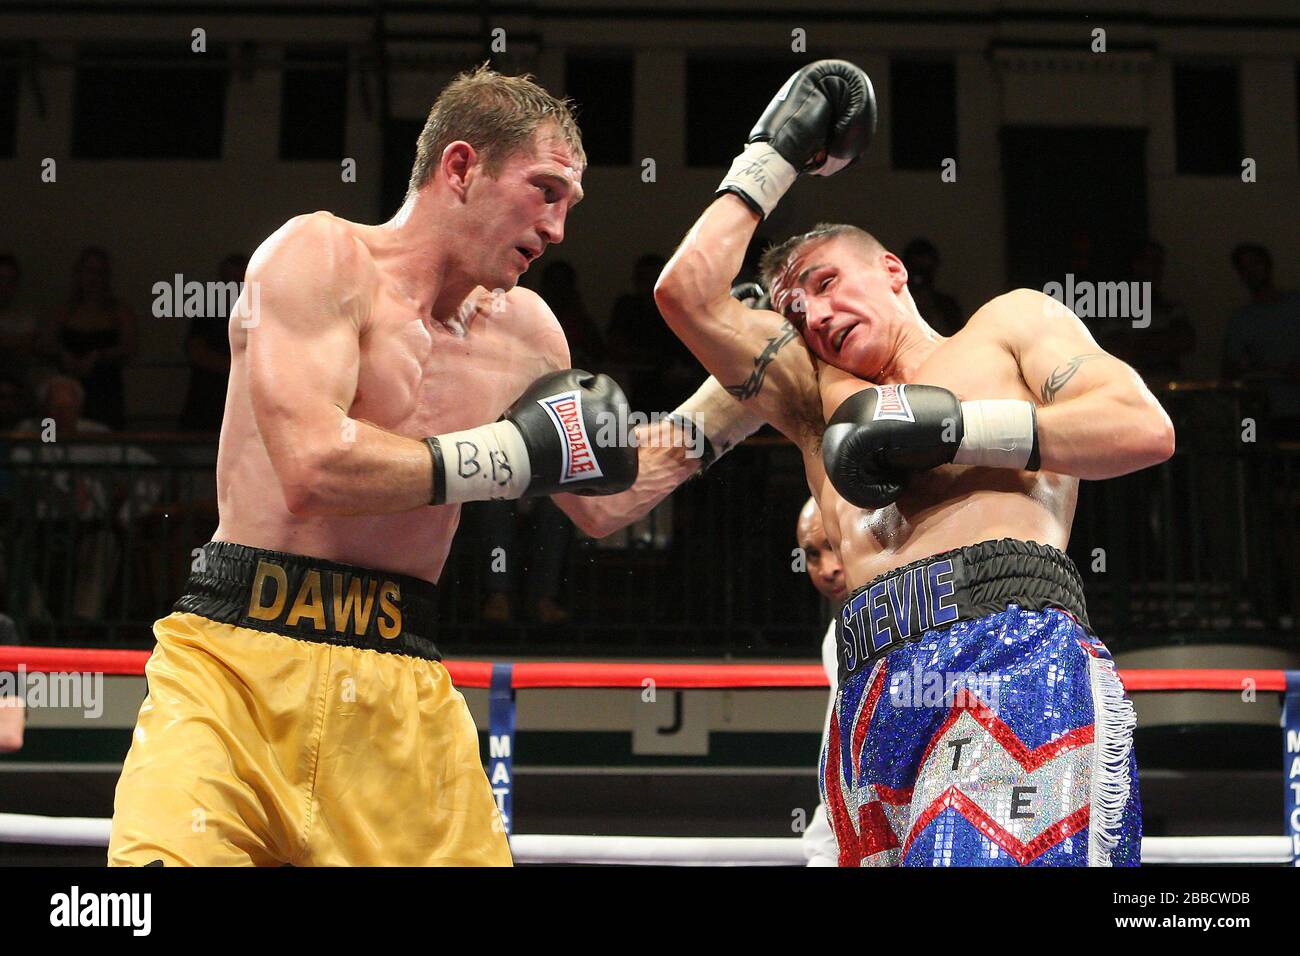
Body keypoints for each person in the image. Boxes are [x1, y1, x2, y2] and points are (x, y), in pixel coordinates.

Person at [107, 63, 760, 867]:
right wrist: (510, 455)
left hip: (399, 683)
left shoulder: (529, 335)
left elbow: (601, 504)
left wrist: (751, 390)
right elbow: (313, 469)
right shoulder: (319, 256)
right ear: (460, 167)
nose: (558, 228)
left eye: (569, 205)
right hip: (234, 667)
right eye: (544, 190)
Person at [655, 59, 1174, 866]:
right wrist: (777, 154)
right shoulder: (811, 397)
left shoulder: (1006, 328)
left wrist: (959, 431)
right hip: (869, 690)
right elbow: (685, 292)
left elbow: (1142, 427)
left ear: (892, 269)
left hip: (1005, 654)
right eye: (798, 310)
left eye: (828, 283)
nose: (818, 315)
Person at [794, 496, 847, 867]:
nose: (827, 569)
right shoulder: (838, 636)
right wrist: (823, 851)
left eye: (836, 546)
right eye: (812, 554)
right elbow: (841, 761)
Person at [42, 247, 137, 431]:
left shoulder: (119, 310)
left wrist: (99, 355)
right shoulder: (65, 309)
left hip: (105, 389)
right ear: (78, 274)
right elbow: (44, 343)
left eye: (99, 272)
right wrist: (63, 354)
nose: (93, 278)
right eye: (88, 271)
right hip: (68, 389)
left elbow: (129, 346)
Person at [1223, 242, 1300, 441]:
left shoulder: (1295, 304)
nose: (1251, 272)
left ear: (1268, 265)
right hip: (1263, 411)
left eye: (1255, 264)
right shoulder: (1241, 320)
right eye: (1244, 268)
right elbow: (1232, 370)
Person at [179, 254, 244, 433]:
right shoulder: (207, 311)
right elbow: (197, 353)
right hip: (208, 402)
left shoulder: (261, 313)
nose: (234, 287)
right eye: (228, 280)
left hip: (245, 404)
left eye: (239, 281)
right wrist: (241, 370)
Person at [901, 239, 963, 337]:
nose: (919, 279)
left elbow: (955, 337)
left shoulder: (947, 306)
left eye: (925, 271)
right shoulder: (897, 304)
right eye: (915, 270)